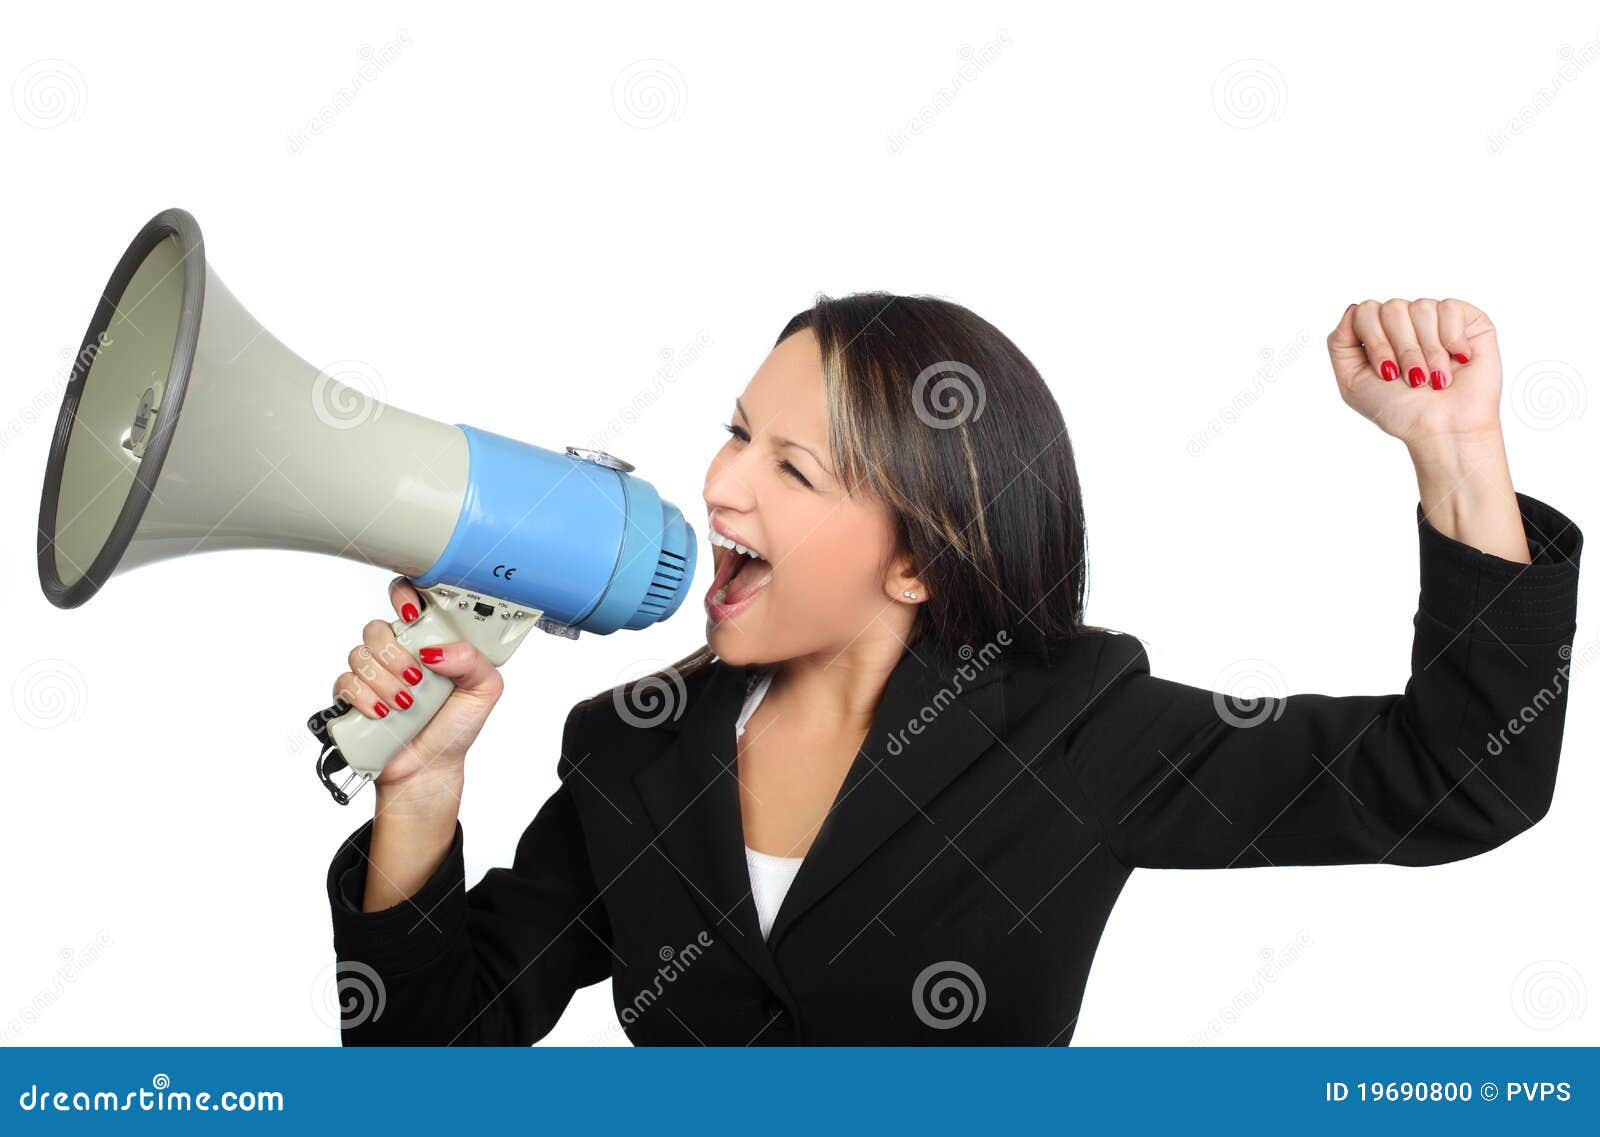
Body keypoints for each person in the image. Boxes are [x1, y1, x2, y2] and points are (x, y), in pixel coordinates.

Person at [323, 293, 1581, 1044]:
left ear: (919, 562)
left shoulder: (1075, 730)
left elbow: (1458, 781)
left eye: (790, 468)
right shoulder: (631, 746)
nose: (718, 486)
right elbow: (428, 1061)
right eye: (736, 435)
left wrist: (1455, 452)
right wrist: (420, 794)